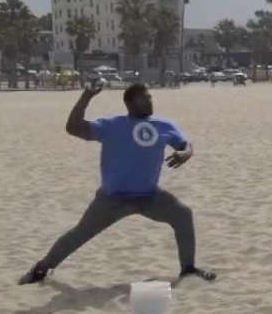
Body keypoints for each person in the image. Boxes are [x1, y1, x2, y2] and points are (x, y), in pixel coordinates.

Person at [19, 83, 213, 285]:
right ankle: (41, 269)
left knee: (183, 215)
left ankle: (188, 269)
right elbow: (73, 128)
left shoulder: (164, 125)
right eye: (143, 98)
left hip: (150, 196)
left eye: (150, 97)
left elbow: (185, 144)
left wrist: (185, 153)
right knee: (80, 234)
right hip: (112, 199)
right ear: (129, 103)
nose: (149, 100)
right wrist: (86, 97)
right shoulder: (112, 125)